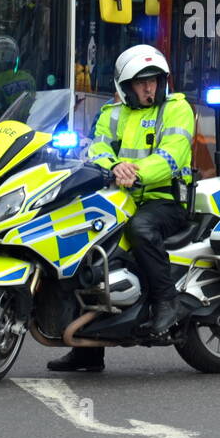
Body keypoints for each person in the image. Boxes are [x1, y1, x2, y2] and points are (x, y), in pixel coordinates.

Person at [47, 44, 195, 372]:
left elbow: (172, 157)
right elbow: (96, 146)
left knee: (141, 229)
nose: (148, 88)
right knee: (80, 245)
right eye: (141, 83)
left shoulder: (176, 110)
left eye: (154, 81)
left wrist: (135, 172)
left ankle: (166, 302)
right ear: (124, 87)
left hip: (165, 200)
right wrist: (114, 166)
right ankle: (86, 350)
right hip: (119, 197)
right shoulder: (112, 113)